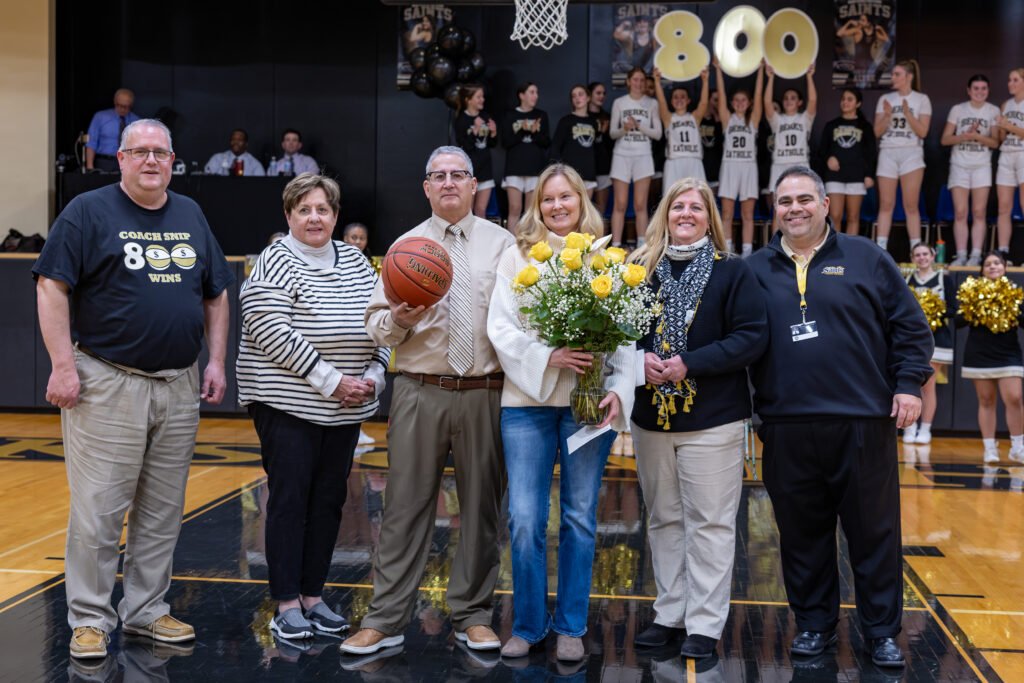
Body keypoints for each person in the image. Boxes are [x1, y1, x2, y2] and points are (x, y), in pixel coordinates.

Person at [33, 118, 234, 660]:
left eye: (161, 153)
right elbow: (51, 285)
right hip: (106, 382)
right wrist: (62, 366)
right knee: (99, 510)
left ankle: (146, 611)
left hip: (178, 383)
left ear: (173, 162)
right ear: (119, 159)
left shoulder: (190, 214)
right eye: (139, 151)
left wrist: (215, 361)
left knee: (162, 511)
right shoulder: (88, 211)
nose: (151, 161)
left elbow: (216, 293)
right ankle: (90, 619)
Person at [747, 166, 932, 668]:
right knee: (802, 536)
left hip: (862, 423)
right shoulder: (754, 269)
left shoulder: (866, 258)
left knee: (874, 534)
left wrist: (909, 383)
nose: (795, 208)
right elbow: (738, 344)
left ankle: (881, 632)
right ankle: (813, 626)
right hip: (786, 427)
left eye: (805, 198)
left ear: (826, 204)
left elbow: (912, 330)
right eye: (785, 201)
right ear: (774, 209)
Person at [341, 146, 513, 655]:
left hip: (486, 390)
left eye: (457, 174)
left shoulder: (503, 244)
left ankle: (473, 614)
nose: (448, 183)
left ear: (474, 183)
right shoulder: (405, 246)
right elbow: (374, 326)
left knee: (483, 508)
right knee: (403, 509)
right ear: (425, 188)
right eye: (437, 176)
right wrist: (400, 321)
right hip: (420, 389)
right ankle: (385, 618)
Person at [486, 163, 633, 661]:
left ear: (581, 200)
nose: (556, 206)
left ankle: (570, 625)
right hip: (526, 405)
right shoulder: (517, 256)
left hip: (585, 407)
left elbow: (629, 337)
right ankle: (527, 625)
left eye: (565, 197)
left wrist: (620, 390)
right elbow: (501, 328)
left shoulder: (606, 256)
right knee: (525, 518)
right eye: (547, 199)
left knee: (579, 517)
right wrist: (547, 356)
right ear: (537, 206)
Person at [237, 173, 389, 639]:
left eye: (323, 209)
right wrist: (331, 381)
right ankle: (285, 604)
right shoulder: (273, 261)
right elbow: (269, 330)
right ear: (288, 216)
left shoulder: (356, 261)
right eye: (303, 209)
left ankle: (313, 596)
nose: (314, 217)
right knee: (290, 499)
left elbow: (380, 324)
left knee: (329, 501)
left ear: (336, 216)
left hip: (344, 406)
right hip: (288, 403)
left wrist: (374, 375)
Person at [628, 178, 767, 658]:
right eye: (678, 206)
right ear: (665, 214)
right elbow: (618, 332)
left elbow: (752, 336)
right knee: (663, 519)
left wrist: (693, 362)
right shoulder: (638, 269)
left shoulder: (734, 271)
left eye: (697, 207)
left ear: (711, 218)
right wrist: (637, 359)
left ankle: (704, 624)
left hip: (714, 419)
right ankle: (670, 613)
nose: (686, 214)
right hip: (651, 419)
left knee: (709, 522)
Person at [957, 251, 1024, 464]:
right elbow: (958, 322)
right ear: (982, 270)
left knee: (1014, 398)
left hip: (1008, 352)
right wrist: (973, 307)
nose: (993, 266)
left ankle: (1017, 447)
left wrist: (1012, 308)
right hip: (980, 352)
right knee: (986, 400)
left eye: (997, 263)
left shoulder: (1014, 291)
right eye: (988, 264)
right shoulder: (972, 291)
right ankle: (989, 448)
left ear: (1005, 267)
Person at [941, 75, 1000, 266]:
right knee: (960, 212)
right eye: (976, 88)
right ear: (968, 90)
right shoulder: (958, 109)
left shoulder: (993, 110)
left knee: (979, 211)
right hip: (959, 164)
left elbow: (995, 142)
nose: (980, 92)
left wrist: (977, 136)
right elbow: (945, 139)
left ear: (988, 91)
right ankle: (961, 254)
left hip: (982, 165)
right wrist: (964, 136)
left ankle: (975, 255)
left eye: (984, 88)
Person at [874, 59, 931, 252]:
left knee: (911, 205)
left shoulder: (921, 99)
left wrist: (907, 113)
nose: (893, 77)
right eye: (893, 74)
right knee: (886, 204)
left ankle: (917, 251)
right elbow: (877, 131)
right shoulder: (885, 99)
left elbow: (923, 131)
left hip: (911, 153)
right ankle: (880, 249)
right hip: (888, 152)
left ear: (909, 77)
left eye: (897, 74)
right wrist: (887, 115)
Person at [904, 244, 954, 445]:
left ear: (933, 256)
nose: (922, 257)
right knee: (910, 382)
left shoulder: (945, 279)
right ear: (912, 258)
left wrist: (933, 311)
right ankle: (909, 427)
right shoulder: (906, 280)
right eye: (917, 255)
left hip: (937, 339)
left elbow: (953, 309)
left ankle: (925, 429)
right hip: (912, 340)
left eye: (925, 254)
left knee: (927, 384)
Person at [714, 57, 764, 256]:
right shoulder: (728, 119)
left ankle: (747, 253)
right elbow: (721, 95)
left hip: (748, 167)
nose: (740, 103)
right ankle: (727, 251)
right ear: (733, 103)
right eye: (737, 100)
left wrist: (760, 70)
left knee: (747, 214)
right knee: (726, 214)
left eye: (744, 100)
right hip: (730, 166)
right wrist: (718, 69)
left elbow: (759, 95)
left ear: (749, 103)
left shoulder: (753, 120)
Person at [609, 67, 663, 248]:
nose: (639, 84)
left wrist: (639, 126)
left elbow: (657, 134)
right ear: (628, 81)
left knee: (640, 204)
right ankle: (615, 247)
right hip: (622, 154)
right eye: (635, 80)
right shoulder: (619, 102)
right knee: (620, 204)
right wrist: (624, 128)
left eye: (641, 80)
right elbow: (612, 133)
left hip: (643, 155)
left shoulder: (652, 103)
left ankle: (642, 247)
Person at [818, 87, 876, 235]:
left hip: (856, 176)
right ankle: (833, 250)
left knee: (853, 217)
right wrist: (828, 158)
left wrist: (869, 175)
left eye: (849, 99)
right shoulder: (832, 125)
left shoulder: (865, 126)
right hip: (834, 176)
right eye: (843, 99)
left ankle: (850, 252)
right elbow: (821, 150)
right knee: (835, 215)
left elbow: (871, 152)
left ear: (858, 103)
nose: (845, 102)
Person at [764, 63, 817, 203]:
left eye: (793, 98)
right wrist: (770, 78)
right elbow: (767, 102)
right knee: (778, 208)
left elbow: (812, 100)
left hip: (800, 163)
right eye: (786, 98)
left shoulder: (805, 119)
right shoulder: (777, 120)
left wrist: (809, 76)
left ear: (800, 102)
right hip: (780, 164)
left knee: (802, 205)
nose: (788, 101)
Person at [502, 83, 550, 232]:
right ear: (521, 95)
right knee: (515, 209)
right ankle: (512, 246)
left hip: (534, 169)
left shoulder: (541, 115)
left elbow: (546, 142)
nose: (536, 96)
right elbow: (506, 143)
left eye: (536, 92)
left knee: (530, 212)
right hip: (514, 168)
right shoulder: (510, 115)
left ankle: (529, 247)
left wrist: (534, 133)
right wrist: (523, 131)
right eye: (532, 92)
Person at [653, 67, 710, 190]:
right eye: (675, 97)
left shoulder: (694, 117)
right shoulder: (668, 118)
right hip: (674, 161)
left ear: (688, 100)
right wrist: (657, 81)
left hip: (694, 160)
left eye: (682, 97)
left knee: (698, 196)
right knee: (672, 198)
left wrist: (705, 81)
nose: (679, 100)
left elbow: (704, 103)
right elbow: (662, 102)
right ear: (672, 101)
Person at [453, 83, 498, 218]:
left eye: (482, 96)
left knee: (481, 211)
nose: (482, 99)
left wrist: (494, 132)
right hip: (470, 170)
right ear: (468, 99)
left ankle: (481, 239)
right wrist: (476, 130)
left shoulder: (485, 116)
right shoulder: (461, 119)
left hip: (486, 169)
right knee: (468, 211)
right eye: (478, 97)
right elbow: (465, 146)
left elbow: (492, 144)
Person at [995, 68, 1024, 264]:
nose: (1010, 83)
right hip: (1006, 154)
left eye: (1015, 80)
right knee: (1003, 207)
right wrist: (1001, 127)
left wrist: (1009, 126)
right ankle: (1003, 253)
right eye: (1009, 80)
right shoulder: (1006, 104)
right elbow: (1000, 138)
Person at [550, 86, 600, 196]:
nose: (577, 98)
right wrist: (559, 171)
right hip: (570, 174)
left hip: (589, 173)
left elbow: (595, 149)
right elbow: (555, 147)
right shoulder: (566, 121)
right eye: (574, 96)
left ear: (588, 98)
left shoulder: (593, 122)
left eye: (580, 94)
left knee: (586, 210)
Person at [85, 88, 139, 172]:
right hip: (104, 162)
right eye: (119, 105)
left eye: (126, 106)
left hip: (128, 162)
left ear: (131, 105)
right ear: (114, 101)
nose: (122, 109)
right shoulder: (100, 117)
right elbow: (91, 143)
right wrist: (90, 168)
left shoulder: (136, 121)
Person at [588, 82, 614, 213]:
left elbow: (612, 144)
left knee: (601, 211)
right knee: (583, 210)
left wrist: (604, 133)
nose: (602, 96)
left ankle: (602, 234)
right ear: (589, 95)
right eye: (598, 93)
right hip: (586, 168)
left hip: (603, 166)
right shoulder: (582, 116)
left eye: (604, 93)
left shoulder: (607, 117)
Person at [700, 90, 724, 190]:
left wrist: (718, 120)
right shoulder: (697, 119)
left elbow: (721, 145)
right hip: (700, 168)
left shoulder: (722, 122)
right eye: (715, 100)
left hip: (715, 169)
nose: (717, 104)